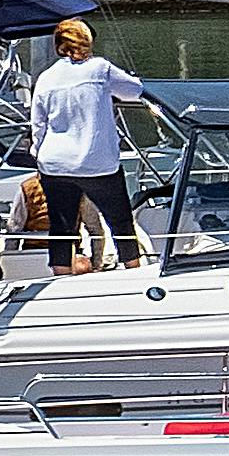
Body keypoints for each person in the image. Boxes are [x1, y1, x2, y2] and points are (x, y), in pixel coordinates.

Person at [28, 17, 145, 271]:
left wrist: (38, 154)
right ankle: (134, 270)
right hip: (96, 163)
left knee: (62, 224)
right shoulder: (100, 68)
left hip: (55, 164)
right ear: (87, 41)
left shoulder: (46, 78)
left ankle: (60, 277)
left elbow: (37, 125)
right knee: (120, 220)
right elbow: (133, 90)